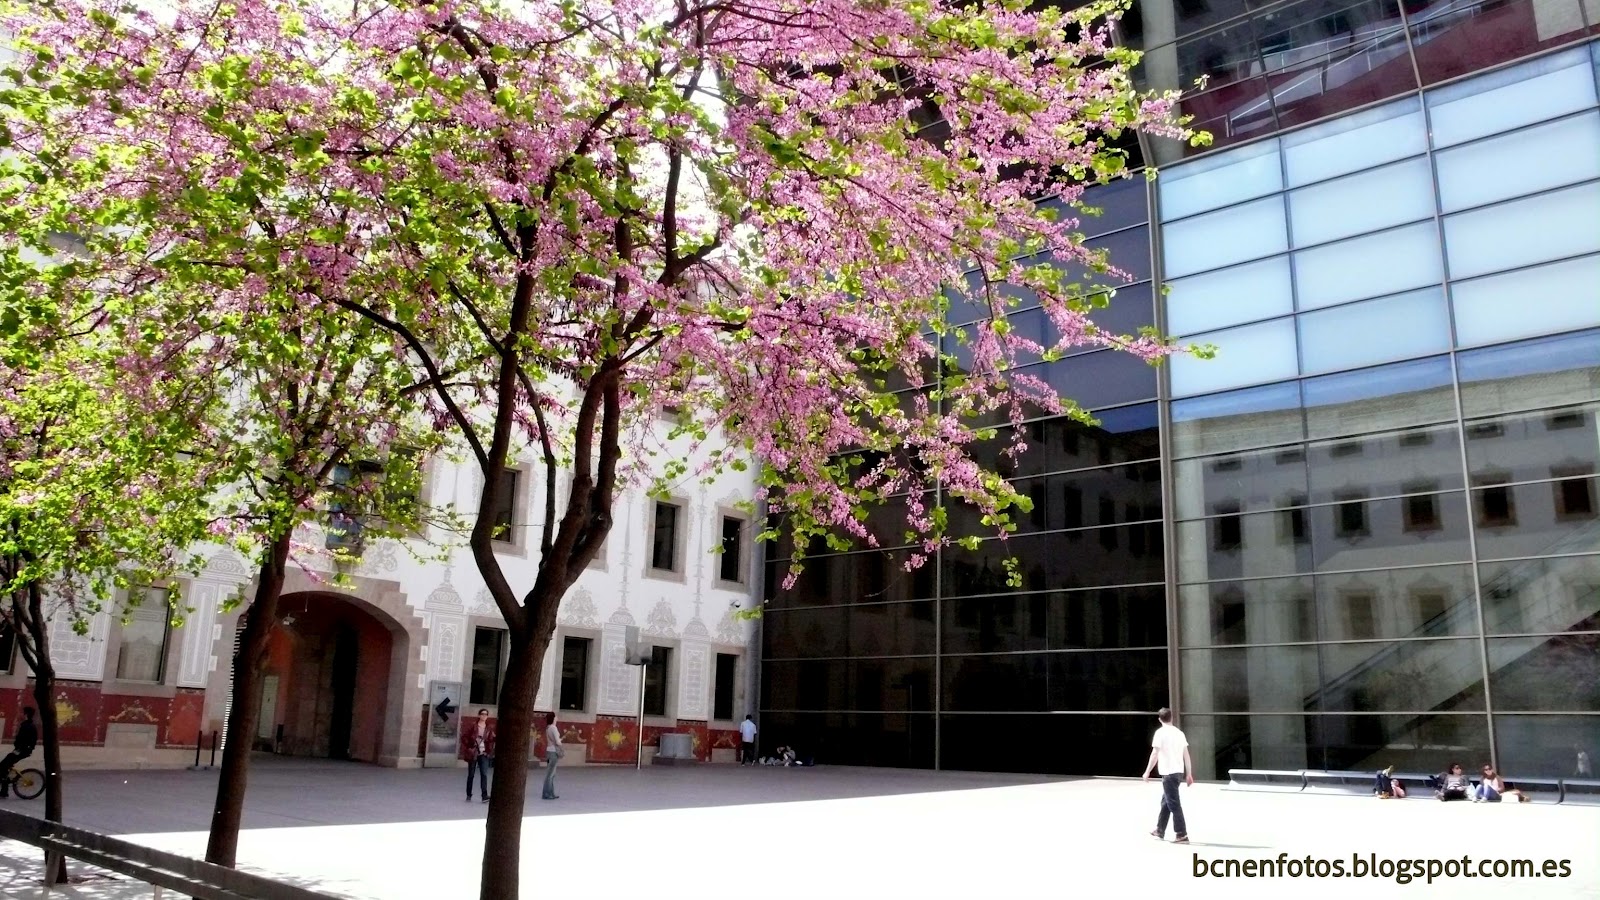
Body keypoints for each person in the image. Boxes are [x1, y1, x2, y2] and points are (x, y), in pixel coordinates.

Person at [1142, 708, 1193, 844]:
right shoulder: (1179, 733)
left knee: (1173, 804)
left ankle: (1182, 834)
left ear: (1159, 719)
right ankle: (1160, 829)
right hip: (1178, 773)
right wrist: (1189, 773)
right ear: (1172, 718)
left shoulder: (1160, 733)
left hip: (1168, 773)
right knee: (1166, 802)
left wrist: (1147, 771)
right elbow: (1186, 755)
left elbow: (1154, 754)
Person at [0, 708, 38, 799]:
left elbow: (25, 740)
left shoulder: (28, 726)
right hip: (21, 750)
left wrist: (19, 747)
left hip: (22, 750)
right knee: (5, 767)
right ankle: (4, 789)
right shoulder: (27, 725)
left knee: (3, 766)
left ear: (26, 714)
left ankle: (4, 790)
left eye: (22, 713)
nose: (20, 714)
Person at [459, 708, 495, 803]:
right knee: (471, 774)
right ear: (479, 715)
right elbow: (464, 737)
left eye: (486, 714)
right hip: (474, 752)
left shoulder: (489, 728)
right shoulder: (473, 726)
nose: (484, 716)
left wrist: (488, 751)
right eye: (482, 714)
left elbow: (491, 740)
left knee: (484, 774)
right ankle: (469, 794)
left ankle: (484, 796)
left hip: (483, 753)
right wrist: (470, 745)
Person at [541, 713, 563, 800]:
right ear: (553, 718)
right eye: (556, 716)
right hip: (554, 752)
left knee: (551, 774)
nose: (557, 717)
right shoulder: (553, 728)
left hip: (549, 751)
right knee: (550, 775)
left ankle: (551, 793)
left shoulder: (548, 728)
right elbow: (557, 742)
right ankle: (547, 794)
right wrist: (560, 743)